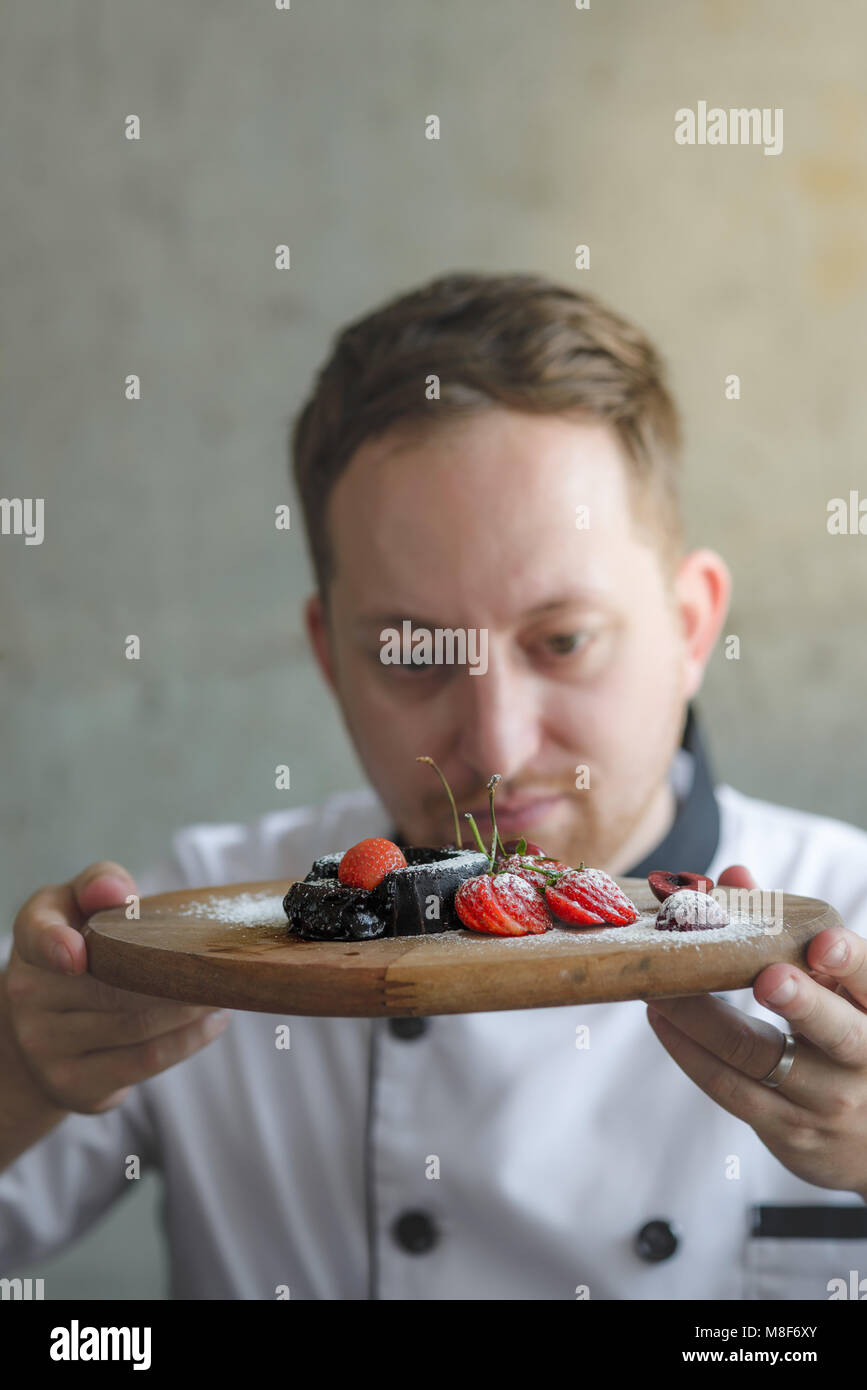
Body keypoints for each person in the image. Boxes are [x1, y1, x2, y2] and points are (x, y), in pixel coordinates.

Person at [2, 272, 866, 1302]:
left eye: (564, 640)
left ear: (690, 624)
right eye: (414, 653)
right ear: (329, 656)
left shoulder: (843, 918)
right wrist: (20, 1073)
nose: (495, 742)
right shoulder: (202, 930)